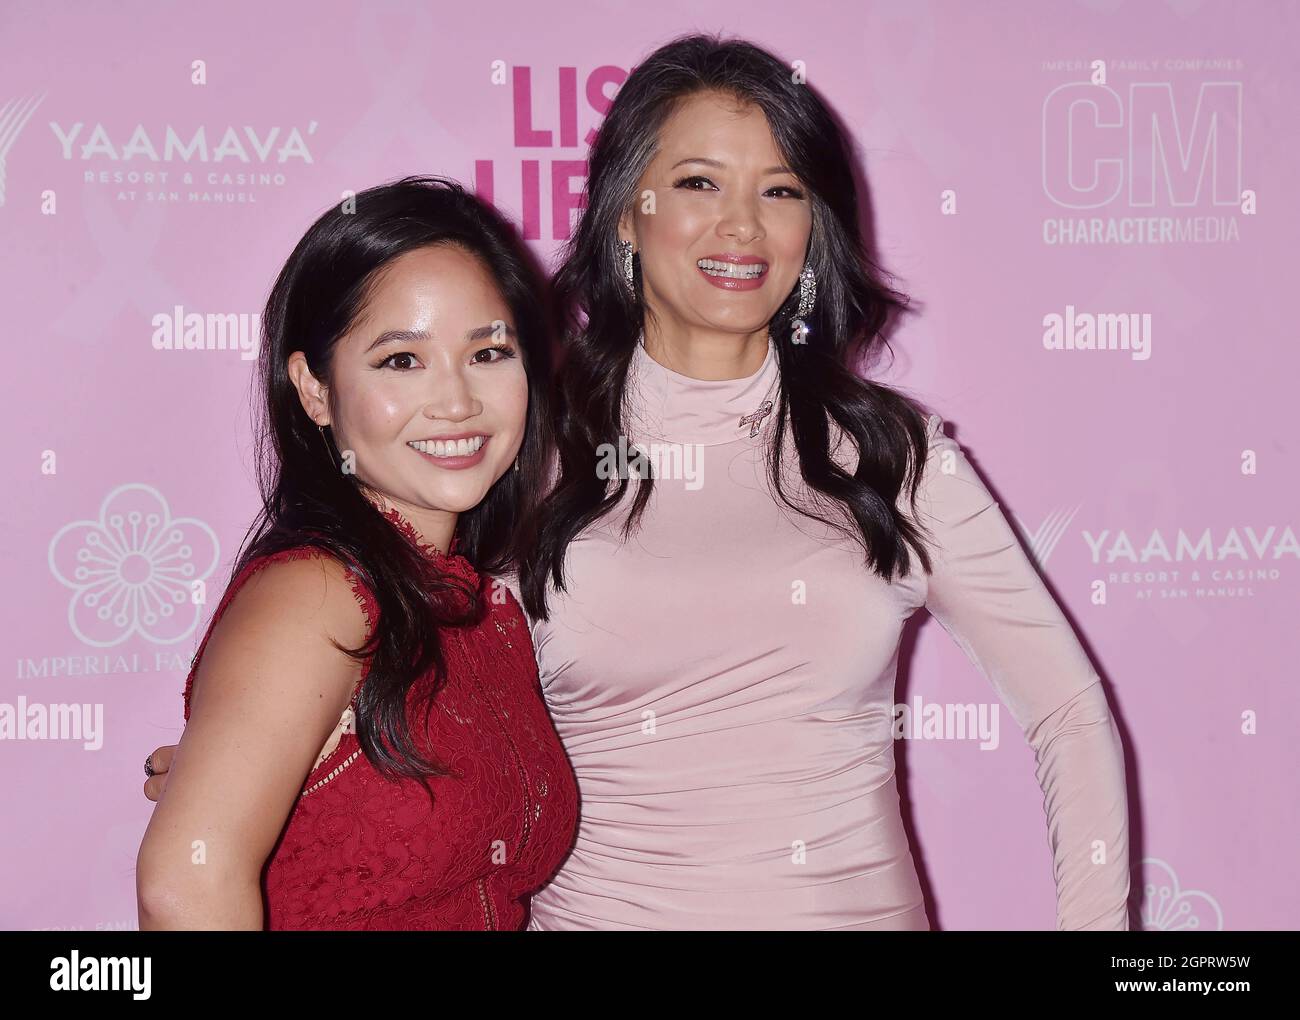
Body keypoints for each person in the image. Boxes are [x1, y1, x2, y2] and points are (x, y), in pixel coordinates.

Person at [145, 34, 1131, 931]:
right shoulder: (515, 441)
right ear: (625, 211)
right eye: (698, 182)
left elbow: (1067, 708)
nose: (739, 227)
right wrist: (266, 786)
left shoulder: (892, 454)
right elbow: (390, 655)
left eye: (782, 190)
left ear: (814, 228)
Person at [135, 177, 578, 930]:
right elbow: (184, 889)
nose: (458, 401)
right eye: (401, 360)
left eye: (489, 353)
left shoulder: (483, 609)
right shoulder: (318, 594)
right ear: (313, 388)